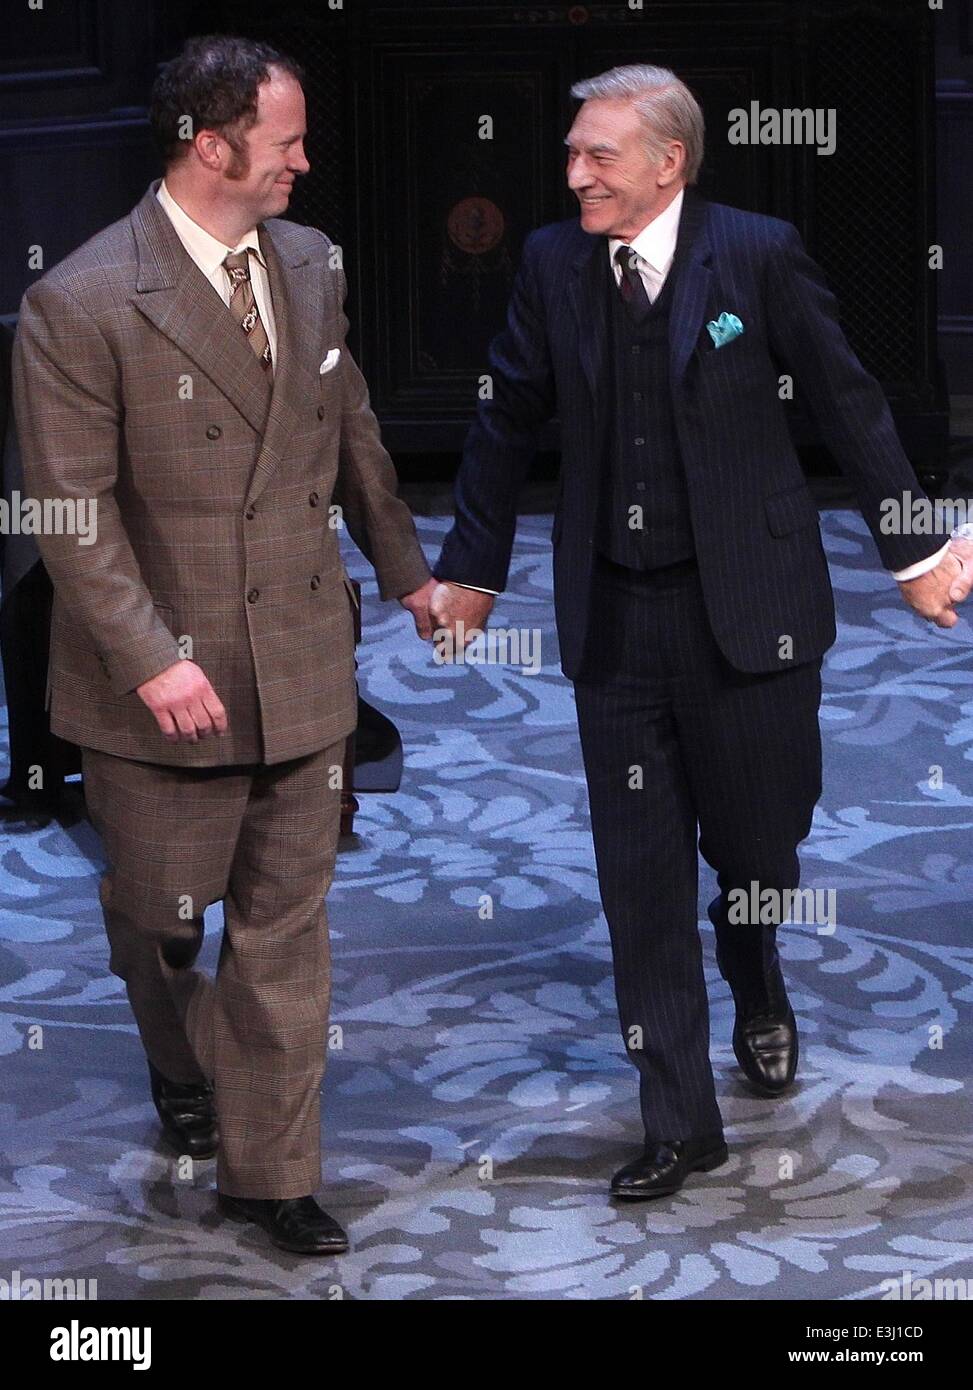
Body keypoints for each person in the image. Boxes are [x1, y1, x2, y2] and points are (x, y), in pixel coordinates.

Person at [429, 64, 971, 1200]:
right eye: (572, 153)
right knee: (637, 873)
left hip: (754, 610)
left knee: (761, 847)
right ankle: (677, 1118)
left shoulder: (757, 253)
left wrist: (915, 549)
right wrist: (469, 571)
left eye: (597, 156)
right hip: (617, 617)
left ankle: (755, 964)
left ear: (667, 162)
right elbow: (503, 419)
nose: (573, 172)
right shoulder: (550, 263)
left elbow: (847, 400)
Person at [12, 34, 435, 1254]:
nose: (306, 162)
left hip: (301, 656)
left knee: (284, 931)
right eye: (287, 140)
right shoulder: (82, 300)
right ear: (213, 146)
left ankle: (268, 1174)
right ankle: (177, 1056)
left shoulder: (309, 263)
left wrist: (410, 574)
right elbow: (71, 512)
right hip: (158, 684)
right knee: (161, 922)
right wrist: (153, 656)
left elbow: (346, 424)